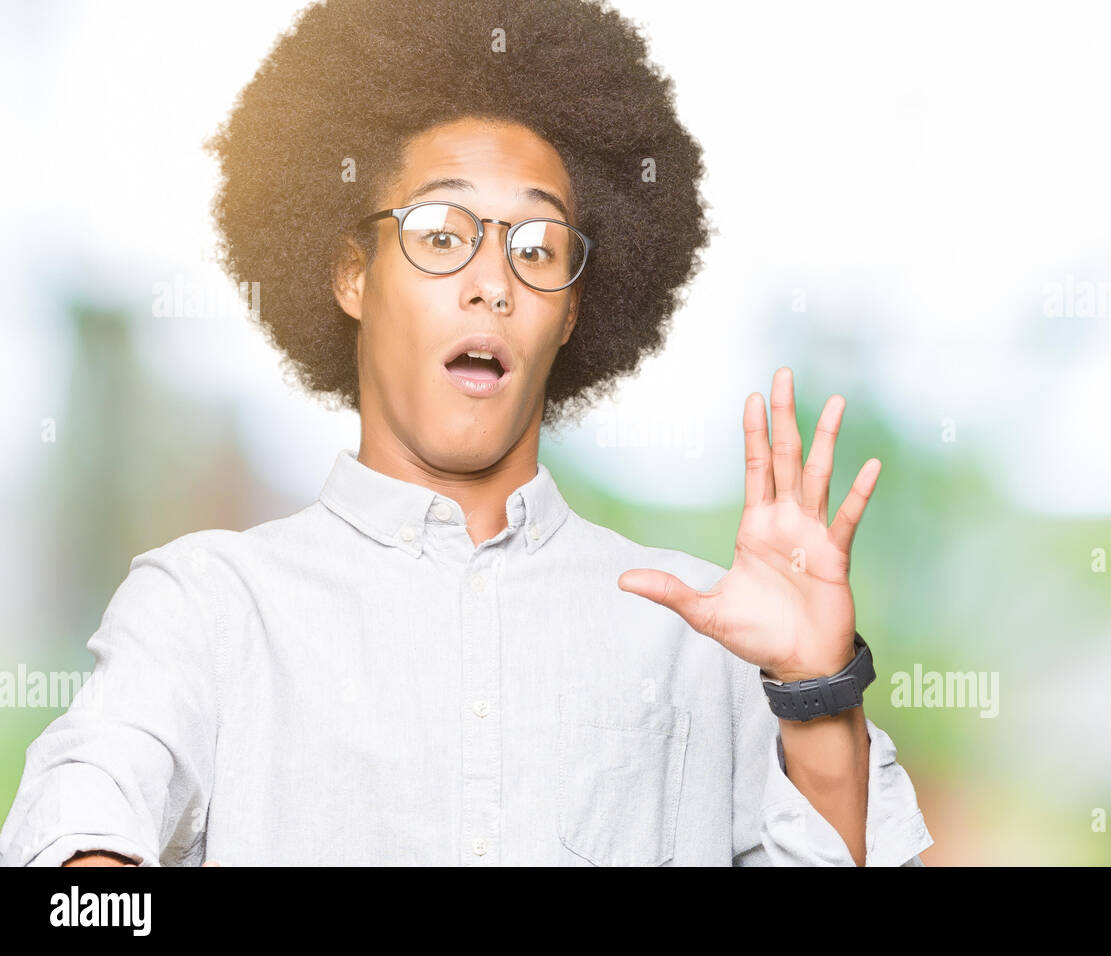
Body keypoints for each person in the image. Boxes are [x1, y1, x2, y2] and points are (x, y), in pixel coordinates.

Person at [0, 0, 932, 867]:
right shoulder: (209, 608)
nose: (493, 282)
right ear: (353, 275)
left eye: (536, 248)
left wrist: (816, 692)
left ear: (570, 314)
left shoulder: (705, 630)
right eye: (442, 236)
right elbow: (76, 839)